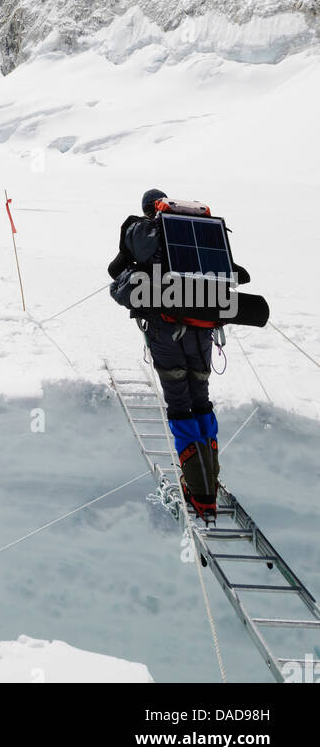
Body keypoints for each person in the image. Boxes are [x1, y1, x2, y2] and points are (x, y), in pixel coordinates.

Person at [108, 188, 225, 521]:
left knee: (179, 403)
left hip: (165, 329)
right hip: (202, 328)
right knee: (200, 400)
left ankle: (201, 494)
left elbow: (115, 272)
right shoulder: (199, 234)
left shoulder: (144, 233)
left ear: (147, 211)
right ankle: (208, 479)